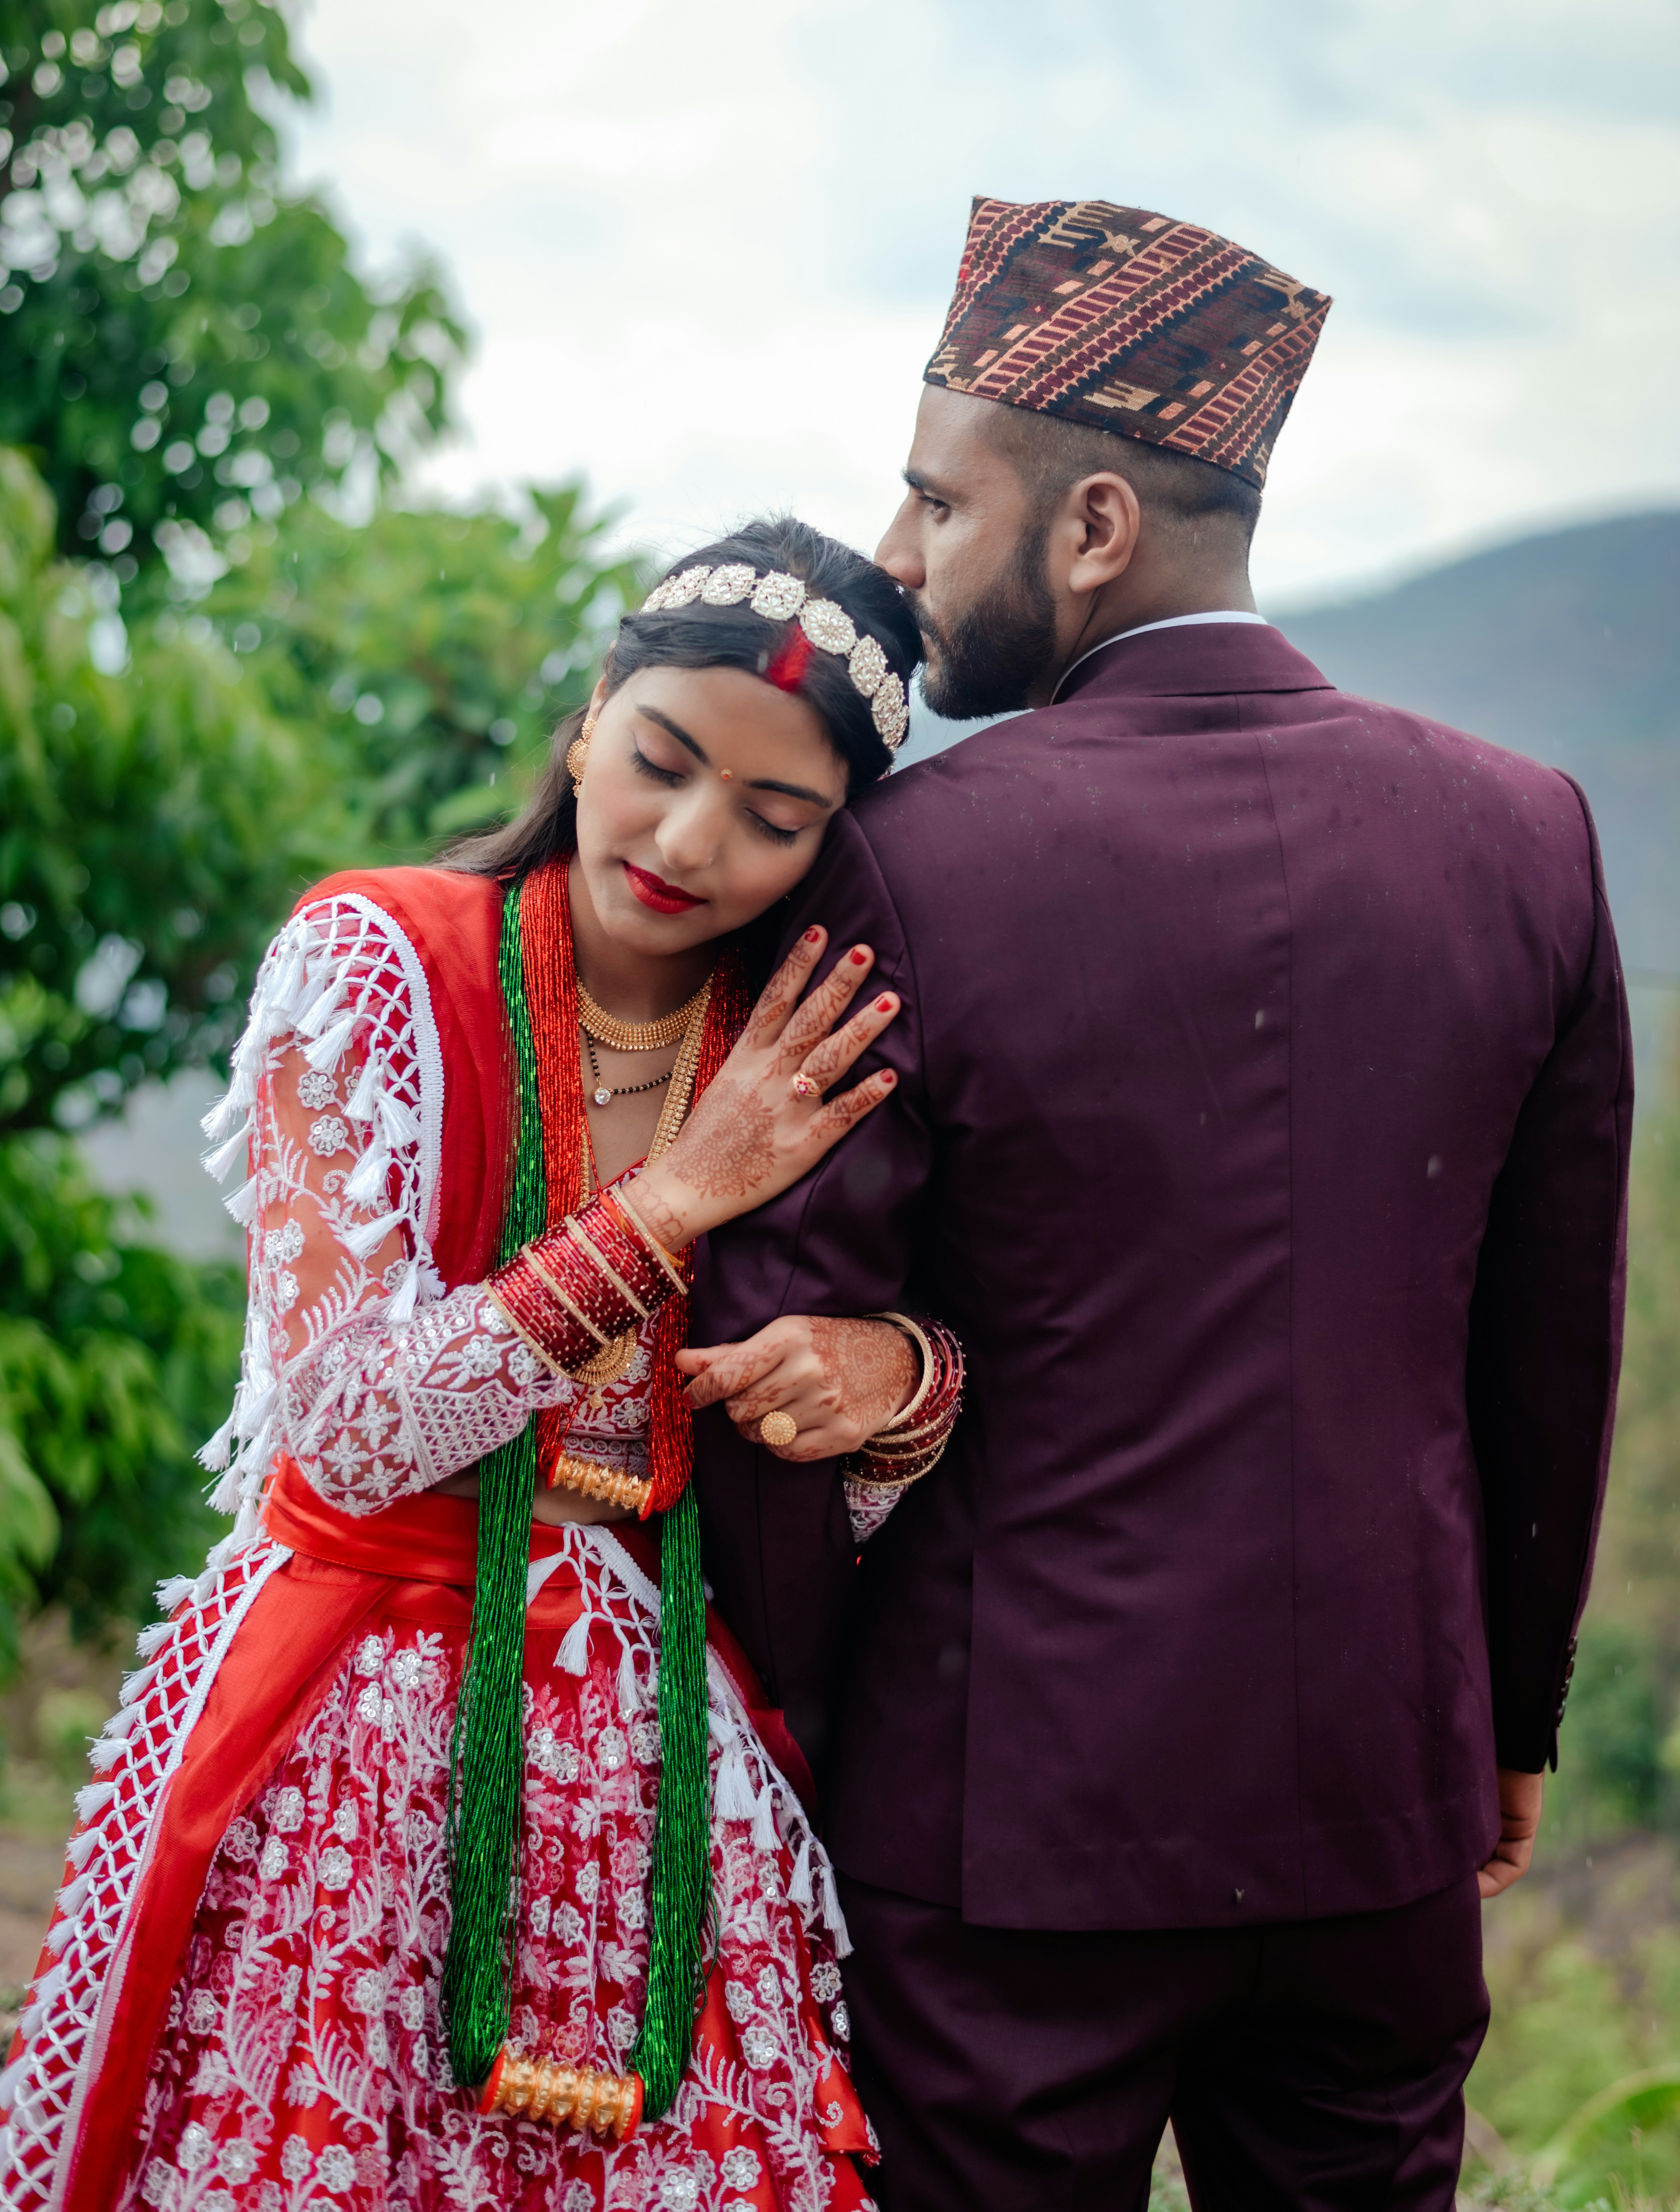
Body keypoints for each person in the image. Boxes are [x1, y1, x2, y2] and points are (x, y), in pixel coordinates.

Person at [684, 197, 1633, 2210]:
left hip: (995, 1835)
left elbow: (772, 1372)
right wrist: (1507, 1716)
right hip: (1383, 1809)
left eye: (943, 500)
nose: (901, 554)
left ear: (1095, 525)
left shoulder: (908, 865)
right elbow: (1549, 1351)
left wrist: (805, 1740)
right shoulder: (1529, 838)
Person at [0, 519, 962, 2212]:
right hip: (350, 1741)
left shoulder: (807, 1053)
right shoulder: (378, 962)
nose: (688, 841)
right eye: (660, 761)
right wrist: (672, 1202)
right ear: (587, 724)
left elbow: (809, 1497)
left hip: (667, 1772)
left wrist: (895, 1387)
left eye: (774, 817)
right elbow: (351, 1429)